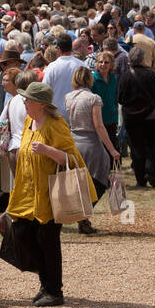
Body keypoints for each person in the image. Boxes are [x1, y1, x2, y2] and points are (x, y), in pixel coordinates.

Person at [0, 82, 96, 306]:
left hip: (50, 195)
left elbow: (72, 160)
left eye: (28, 99)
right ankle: (45, 284)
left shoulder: (55, 125)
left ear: (41, 105)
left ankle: (54, 290)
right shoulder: (28, 122)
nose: (23, 102)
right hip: (27, 194)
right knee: (24, 234)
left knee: (48, 241)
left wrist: (47, 150)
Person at [65, 67, 119, 235]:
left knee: (80, 181)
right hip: (91, 142)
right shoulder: (93, 98)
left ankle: (83, 218)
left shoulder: (69, 97)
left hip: (74, 141)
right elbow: (98, 125)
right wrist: (112, 149)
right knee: (101, 180)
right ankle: (83, 215)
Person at [117, 45, 155, 188]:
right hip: (150, 117)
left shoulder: (125, 77)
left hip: (131, 119)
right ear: (142, 59)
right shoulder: (151, 75)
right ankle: (150, 170)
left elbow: (120, 98)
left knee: (136, 147)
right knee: (154, 145)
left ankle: (140, 178)